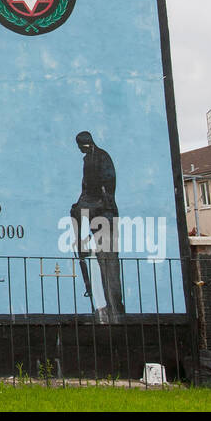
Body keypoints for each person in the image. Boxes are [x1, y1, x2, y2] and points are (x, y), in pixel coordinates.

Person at [70, 130, 124, 320]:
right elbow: (86, 189)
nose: (79, 150)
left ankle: (116, 310)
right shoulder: (88, 160)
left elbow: (107, 190)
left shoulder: (102, 157)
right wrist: (79, 205)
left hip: (105, 216)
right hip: (94, 214)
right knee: (98, 262)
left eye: (80, 146)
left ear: (85, 144)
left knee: (109, 264)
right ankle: (102, 305)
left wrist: (91, 205)